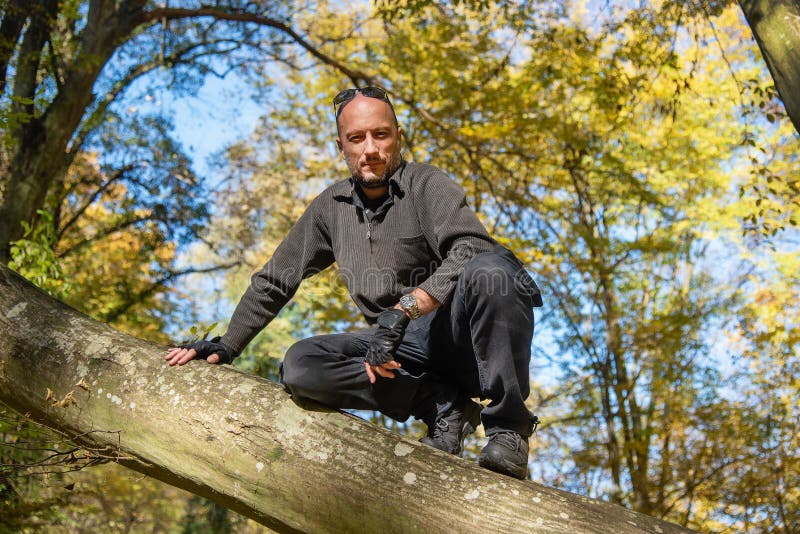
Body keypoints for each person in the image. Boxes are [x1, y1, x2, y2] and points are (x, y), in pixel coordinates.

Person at [165, 86, 543, 479]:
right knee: (301, 365)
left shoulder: (427, 184)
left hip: (462, 339)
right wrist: (227, 345)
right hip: (398, 354)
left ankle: (508, 431)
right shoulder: (330, 209)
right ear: (340, 145)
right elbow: (276, 280)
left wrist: (407, 307)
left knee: (494, 270)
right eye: (356, 138)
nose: (370, 149)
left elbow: (473, 246)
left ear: (398, 135)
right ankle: (442, 407)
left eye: (380, 135)